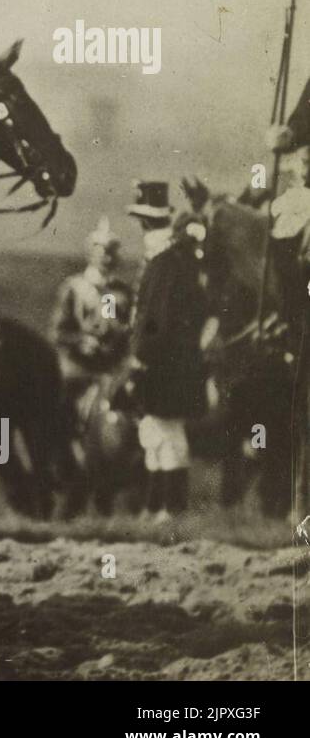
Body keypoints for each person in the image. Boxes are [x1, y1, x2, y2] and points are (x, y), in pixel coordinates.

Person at [124, 180, 207, 520]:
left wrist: (140, 357)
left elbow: (155, 319)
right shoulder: (170, 259)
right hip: (169, 360)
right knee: (155, 432)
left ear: (145, 222)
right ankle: (155, 505)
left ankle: (171, 507)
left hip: (163, 363)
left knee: (166, 434)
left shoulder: (164, 263)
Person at [51, 216, 134, 415]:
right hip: (78, 366)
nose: (107, 259)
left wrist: (117, 338)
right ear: (91, 255)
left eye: (111, 254)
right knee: (62, 407)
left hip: (111, 368)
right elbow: (58, 332)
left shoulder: (119, 292)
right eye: (102, 253)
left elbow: (111, 326)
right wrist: (81, 341)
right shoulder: (74, 287)